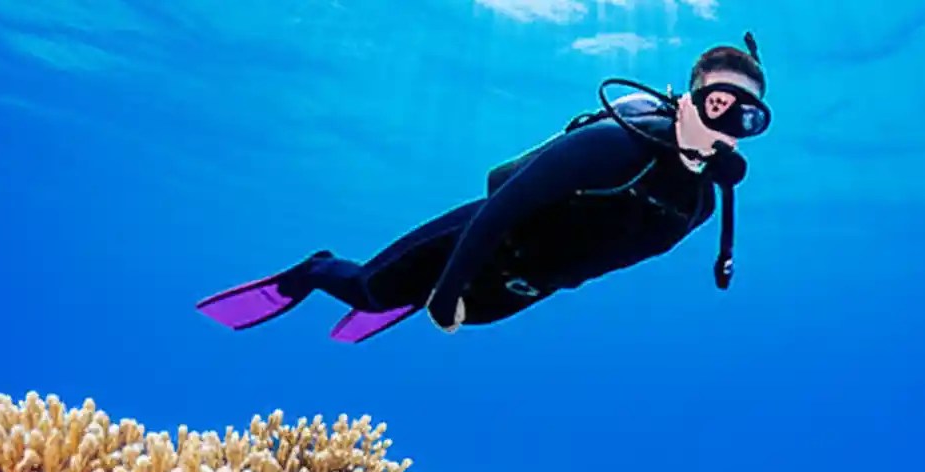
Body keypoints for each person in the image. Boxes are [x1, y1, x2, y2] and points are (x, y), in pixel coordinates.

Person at [196, 33, 773, 342]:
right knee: (372, 292)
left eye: (746, 117)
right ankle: (316, 269)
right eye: (718, 104)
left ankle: (418, 295)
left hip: (531, 284)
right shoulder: (616, 146)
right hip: (477, 241)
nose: (727, 126)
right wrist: (448, 289)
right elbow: (505, 204)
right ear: (689, 99)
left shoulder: (704, 202)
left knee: (463, 324)